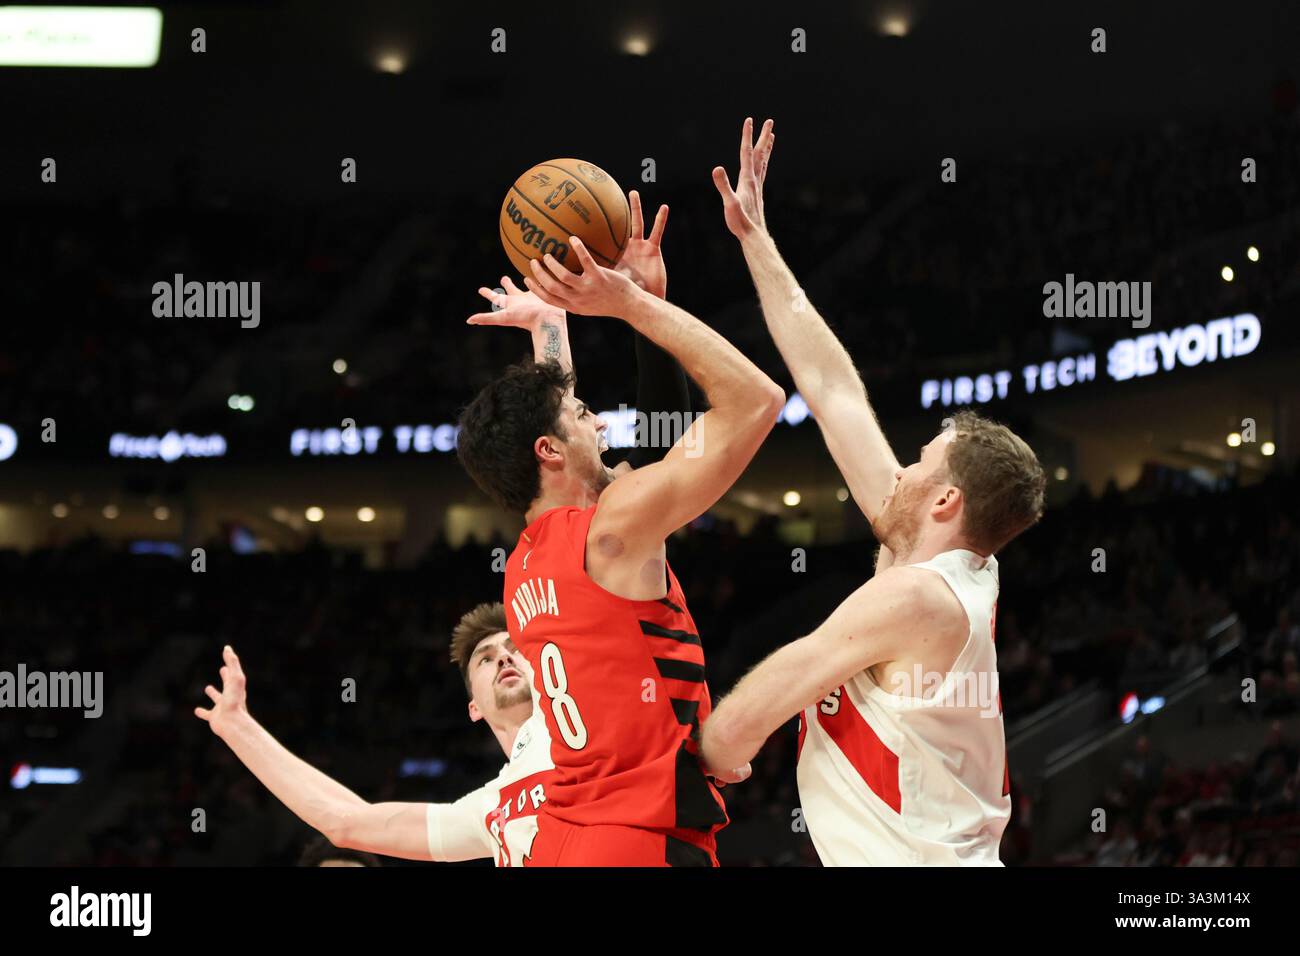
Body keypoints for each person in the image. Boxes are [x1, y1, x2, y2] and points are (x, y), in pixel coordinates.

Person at [699, 118, 1046, 866]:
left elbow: (744, 721)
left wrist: (688, 763)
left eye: (921, 463)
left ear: (945, 502)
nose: (904, 470)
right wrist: (756, 239)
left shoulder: (915, 598)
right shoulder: (953, 568)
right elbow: (833, 392)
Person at [456, 191, 784, 866]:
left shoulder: (526, 562)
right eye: (581, 415)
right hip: (639, 843)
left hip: (571, 837)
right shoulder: (609, 532)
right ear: (549, 452)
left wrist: (550, 326)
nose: (599, 421)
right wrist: (635, 305)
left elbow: (636, 459)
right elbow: (757, 401)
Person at [195, 604, 552, 867]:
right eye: (485, 659)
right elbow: (346, 821)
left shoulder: (584, 731)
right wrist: (239, 729)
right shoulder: (490, 809)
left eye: (516, 649)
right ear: (473, 706)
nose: (504, 658)